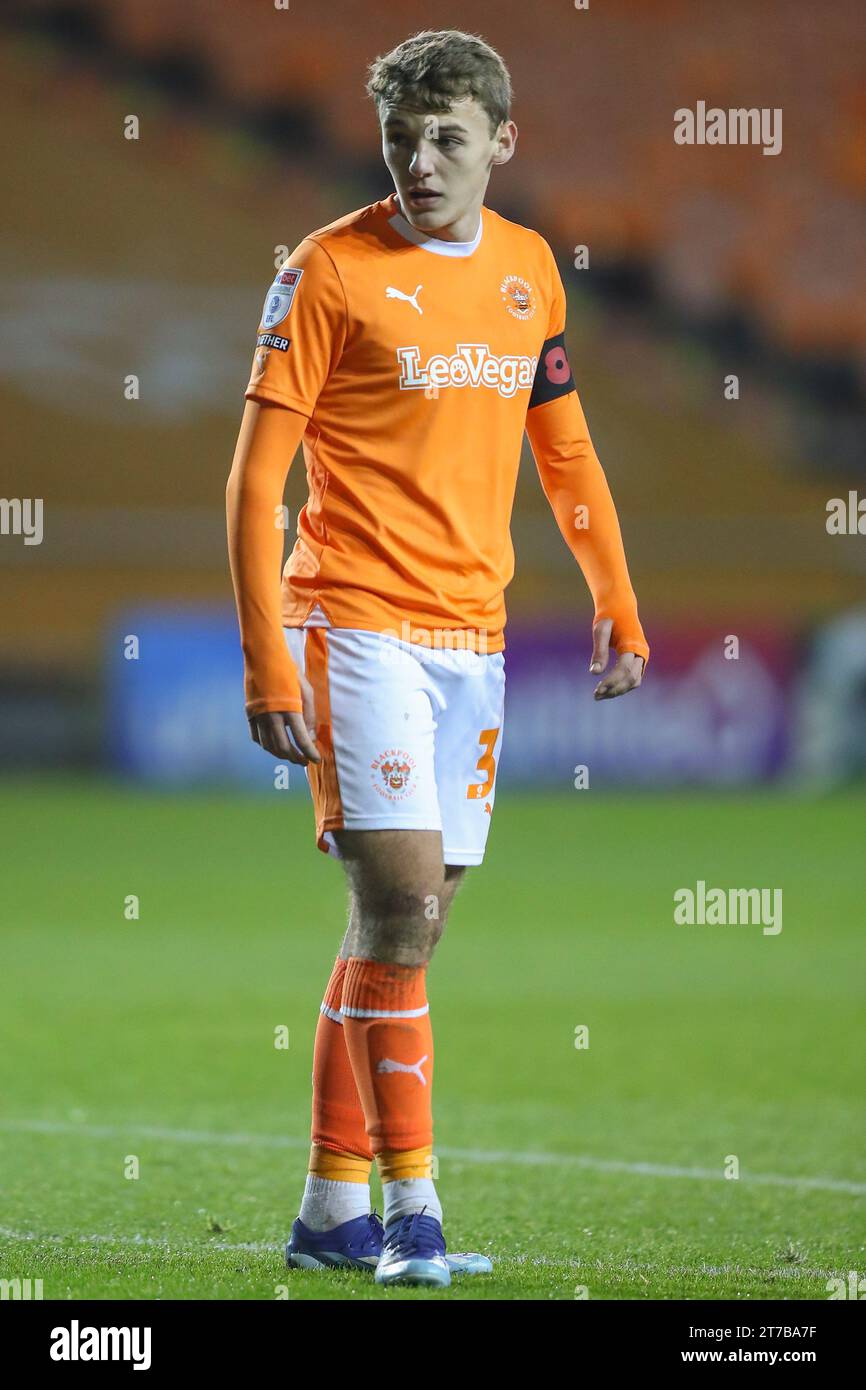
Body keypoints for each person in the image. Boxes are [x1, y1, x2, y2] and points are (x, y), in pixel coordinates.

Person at [226, 28, 648, 1289]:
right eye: (401, 137)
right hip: (351, 620)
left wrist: (615, 597)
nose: (420, 160)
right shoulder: (326, 272)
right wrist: (266, 663)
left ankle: (326, 1208)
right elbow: (257, 482)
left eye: (447, 138)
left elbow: (562, 453)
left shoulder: (528, 271)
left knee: (402, 925)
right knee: (399, 904)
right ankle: (413, 1213)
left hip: (473, 633)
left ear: (499, 144)